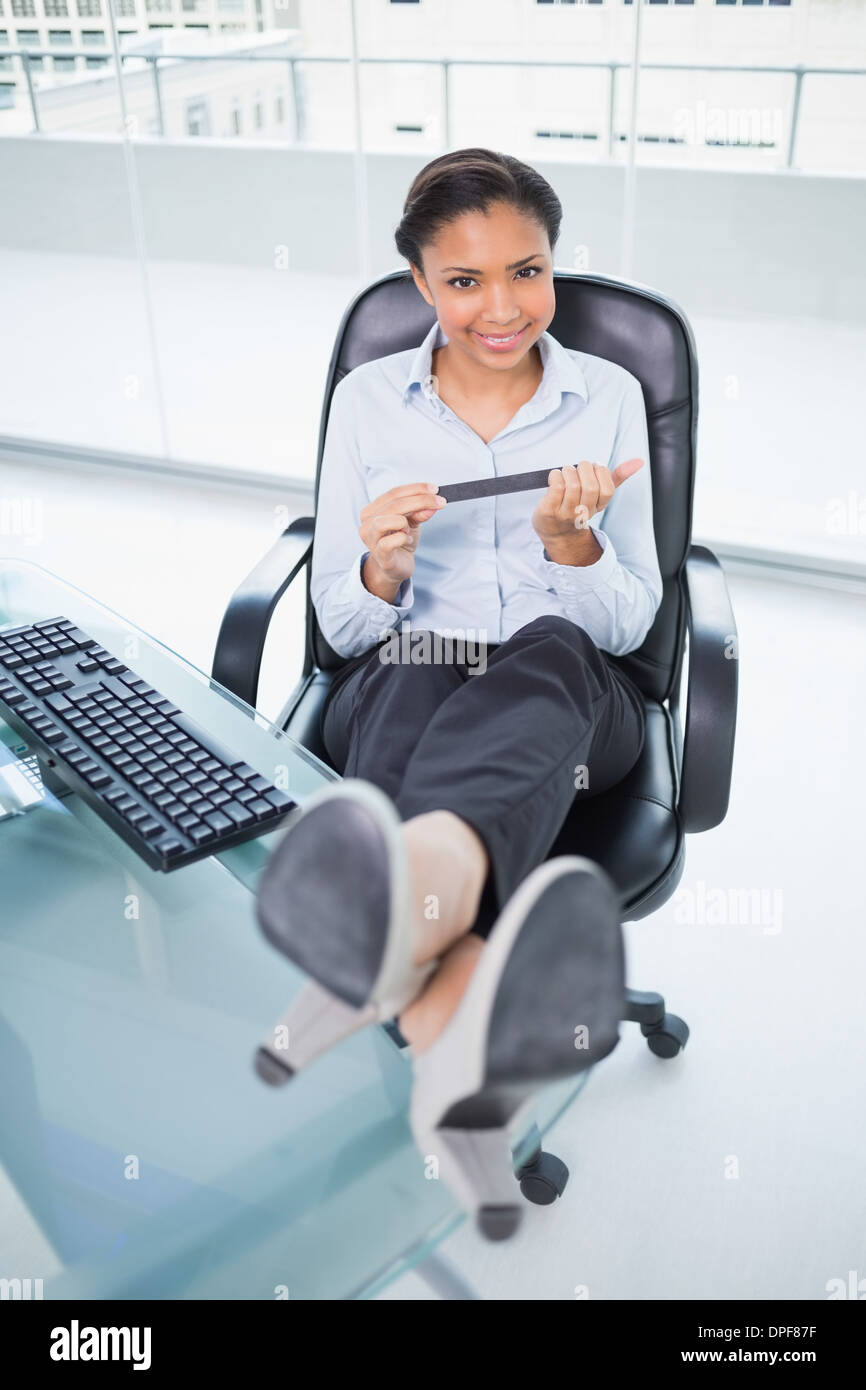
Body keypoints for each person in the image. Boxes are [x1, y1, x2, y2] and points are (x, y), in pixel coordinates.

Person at [255, 148, 663, 1237]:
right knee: (405, 667)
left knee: (543, 647)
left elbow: (631, 623)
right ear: (420, 287)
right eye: (465, 280)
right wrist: (382, 569)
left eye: (526, 272)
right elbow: (342, 632)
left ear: (551, 266)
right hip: (413, 680)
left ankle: (396, 936)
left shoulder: (608, 396)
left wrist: (571, 549)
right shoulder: (367, 402)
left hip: (570, 697)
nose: (503, 308)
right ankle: (450, 1000)